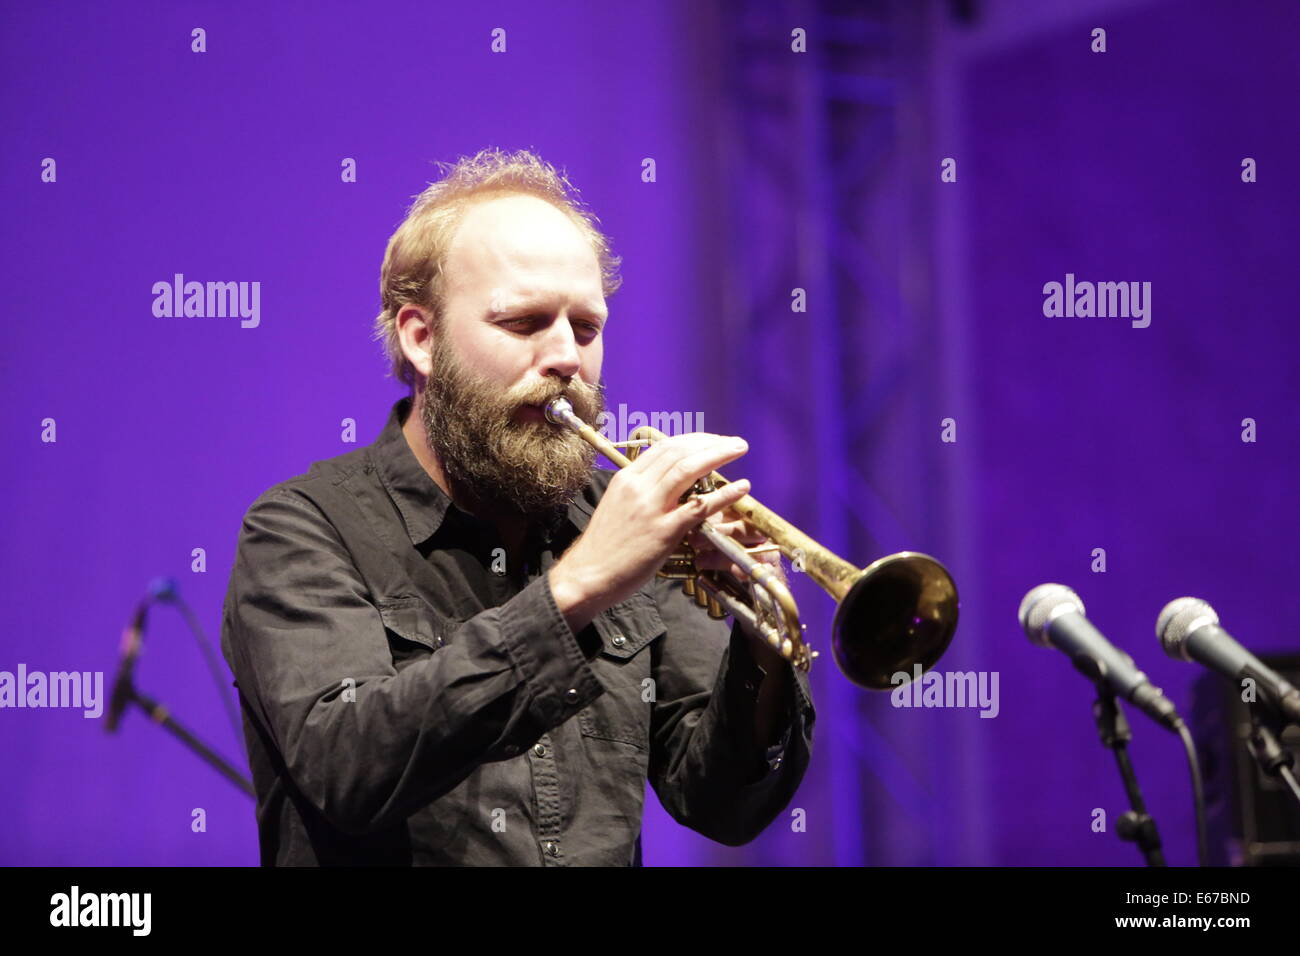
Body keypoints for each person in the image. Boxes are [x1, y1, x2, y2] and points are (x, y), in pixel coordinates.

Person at [220, 148, 815, 866]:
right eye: (525, 323)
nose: (568, 357)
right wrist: (575, 591)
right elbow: (347, 768)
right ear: (422, 337)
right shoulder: (302, 529)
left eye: (586, 329)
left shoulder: (625, 519)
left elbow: (721, 803)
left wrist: (759, 643)